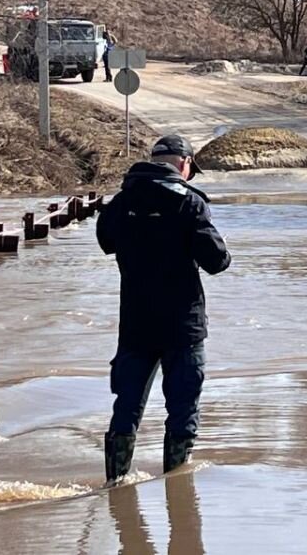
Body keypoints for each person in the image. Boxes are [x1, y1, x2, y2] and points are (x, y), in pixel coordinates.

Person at [96, 134, 231, 484]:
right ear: (184, 164)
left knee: (126, 408)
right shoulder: (190, 202)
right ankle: (177, 491)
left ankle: (116, 484)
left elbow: (105, 243)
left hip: (136, 323)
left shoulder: (121, 201)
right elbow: (218, 261)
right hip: (183, 325)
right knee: (183, 410)